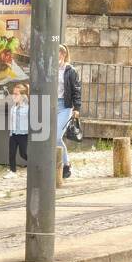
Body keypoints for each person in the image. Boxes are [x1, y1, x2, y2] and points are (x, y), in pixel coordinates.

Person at [56, 44, 81, 179]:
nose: (57, 56)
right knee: (50, 137)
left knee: (56, 137)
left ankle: (66, 164)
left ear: (63, 55)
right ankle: (59, 164)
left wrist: (76, 108)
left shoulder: (70, 70)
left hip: (65, 106)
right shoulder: (50, 69)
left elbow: (77, 90)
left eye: (59, 53)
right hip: (50, 106)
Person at [7, 83, 29, 175]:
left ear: (22, 96)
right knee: (11, 154)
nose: (14, 95)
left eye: (16, 94)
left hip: (23, 134)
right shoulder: (13, 107)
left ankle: (35, 164)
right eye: (13, 93)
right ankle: (12, 171)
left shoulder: (28, 107)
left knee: (23, 154)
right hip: (14, 134)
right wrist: (11, 132)